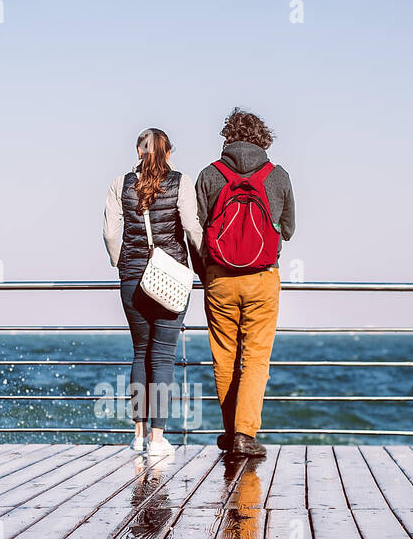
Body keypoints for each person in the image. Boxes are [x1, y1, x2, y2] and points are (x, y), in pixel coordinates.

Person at [195, 109, 295, 458]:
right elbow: (290, 228)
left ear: (228, 136)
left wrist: (206, 267)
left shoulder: (210, 174)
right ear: (262, 138)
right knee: (255, 359)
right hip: (262, 278)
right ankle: (244, 434)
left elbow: (198, 228)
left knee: (224, 358)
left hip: (219, 278)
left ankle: (229, 431)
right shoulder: (277, 176)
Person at [103, 128, 203, 455]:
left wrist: (121, 263)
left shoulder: (120, 184)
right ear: (169, 152)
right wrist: (202, 264)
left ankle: (137, 435)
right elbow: (191, 227)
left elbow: (110, 233)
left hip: (132, 278)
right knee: (162, 357)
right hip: (170, 277)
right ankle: (158, 440)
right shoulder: (181, 182)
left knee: (139, 352)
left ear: (138, 150)